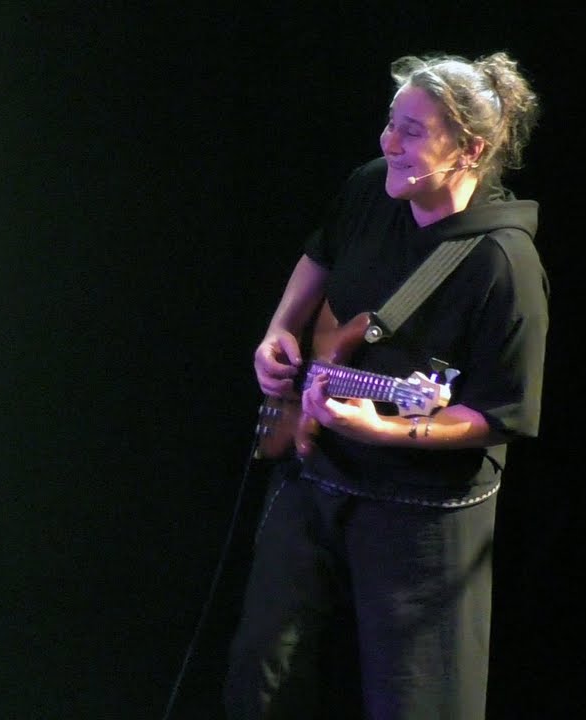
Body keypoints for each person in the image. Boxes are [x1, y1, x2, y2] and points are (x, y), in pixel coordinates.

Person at [224, 52, 546, 719]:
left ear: (471, 149)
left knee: (417, 698)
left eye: (412, 131)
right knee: (263, 669)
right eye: (390, 122)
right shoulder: (373, 186)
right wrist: (277, 333)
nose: (387, 142)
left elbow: (501, 413)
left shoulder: (504, 267)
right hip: (317, 470)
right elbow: (321, 255)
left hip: (422, 511)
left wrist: (388, 428)